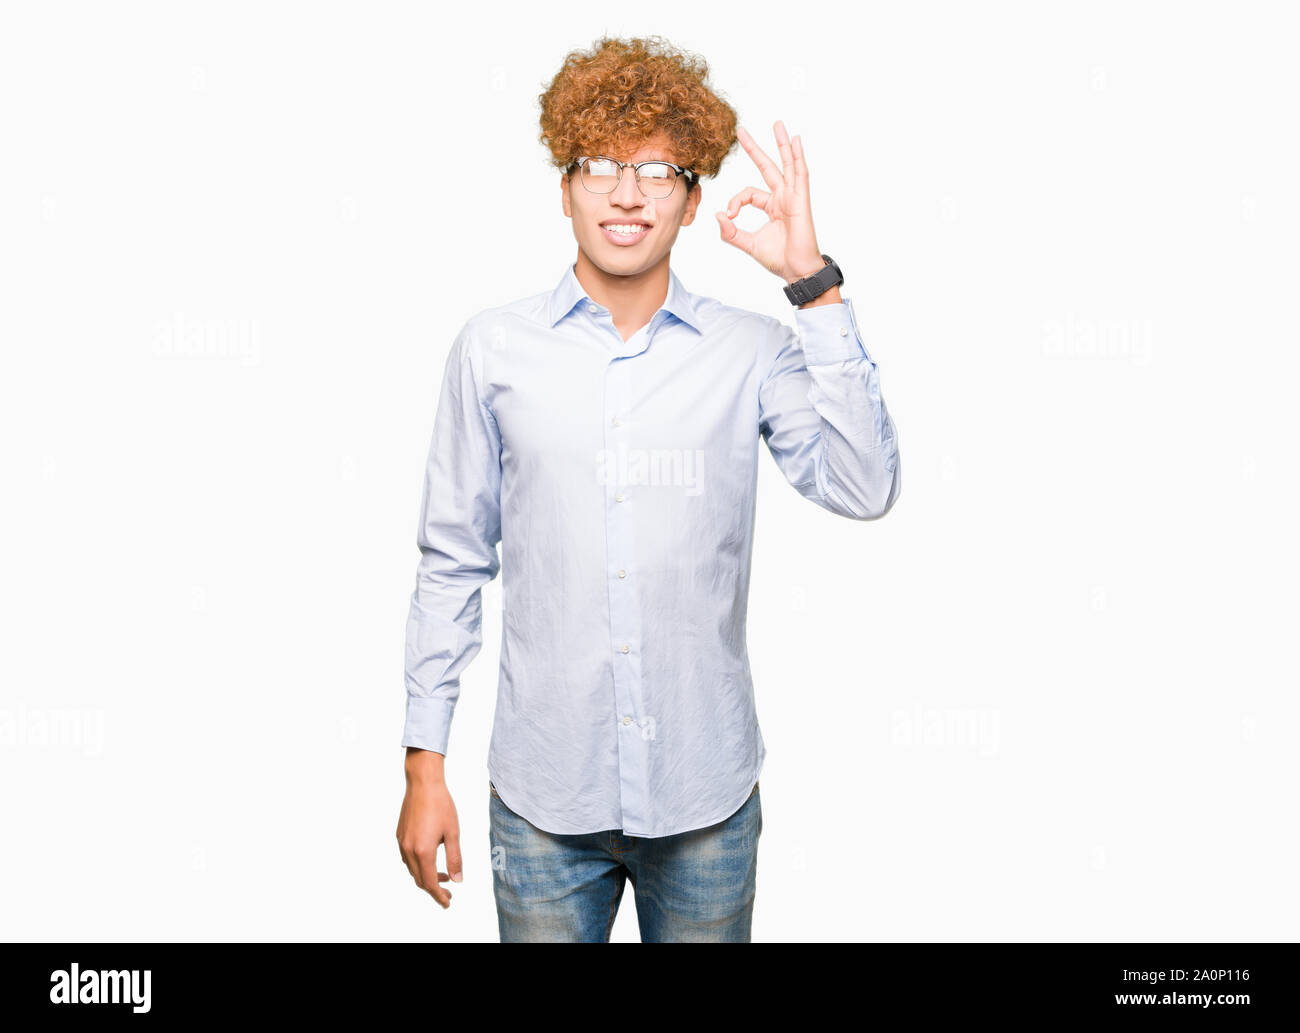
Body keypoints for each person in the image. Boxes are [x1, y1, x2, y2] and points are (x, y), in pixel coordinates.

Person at [396, 34, 901, 942]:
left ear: (694, 197)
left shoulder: (751, 352)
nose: (628, 195)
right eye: (600, 166)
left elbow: (863, 487)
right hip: (544, 802)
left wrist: (812, 285)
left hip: (705, 799)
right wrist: (422, 766)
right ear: (564, 186)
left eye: (659, 170)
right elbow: (451, 562)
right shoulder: (492, 350)